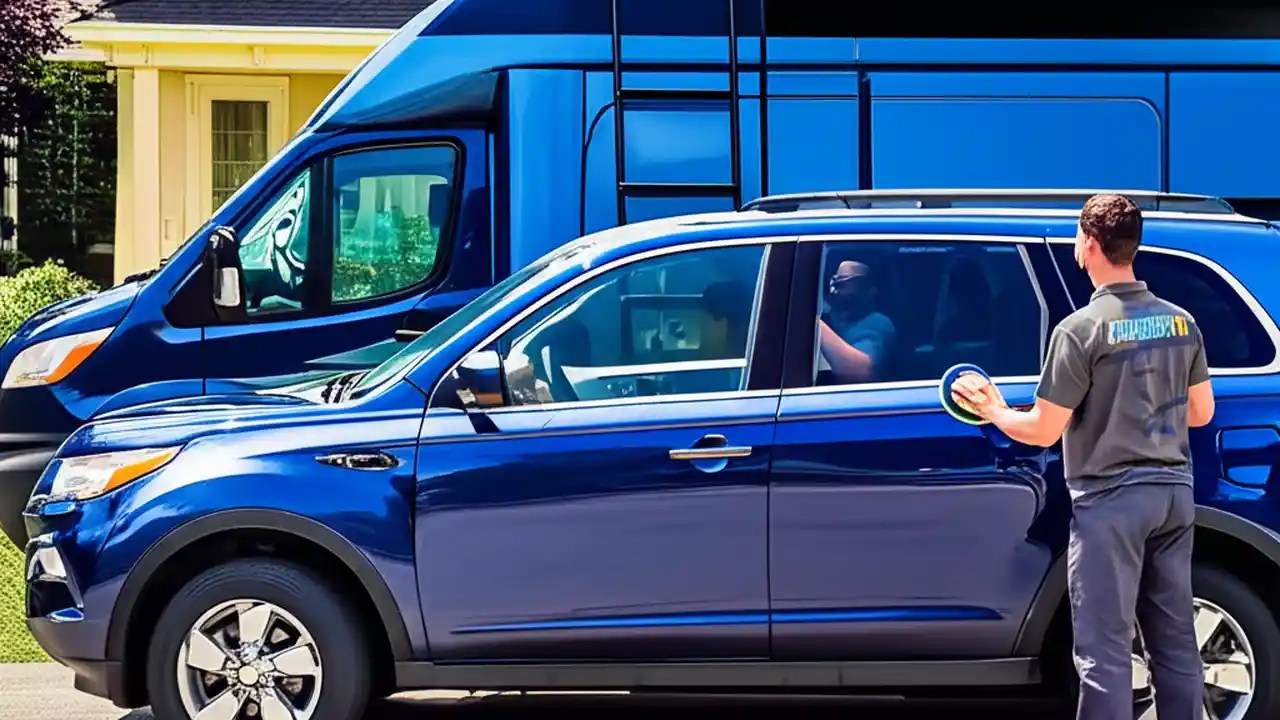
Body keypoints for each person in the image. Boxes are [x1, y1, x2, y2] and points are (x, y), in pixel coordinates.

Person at [950, 193, 1215, 720]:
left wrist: (996, 411)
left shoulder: (1080, 330)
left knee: (1105, 650)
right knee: (1177, 643)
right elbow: (1201, 413)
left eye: (1077, 236)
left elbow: (1044, 429)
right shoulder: (1182, 322)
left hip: (1111, 502)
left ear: (1089, 244)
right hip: (1172, 497)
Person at [818, 260, 896, 384]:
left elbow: (858, 371)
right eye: (836, 282)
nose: (836, 289)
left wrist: (814, 323)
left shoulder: (878, 323)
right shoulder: (829, 317)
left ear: (870, 290)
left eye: (845, 282)